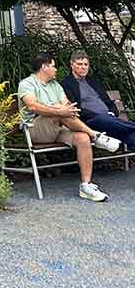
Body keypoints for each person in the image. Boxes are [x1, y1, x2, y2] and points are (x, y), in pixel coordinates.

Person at [18, 52, 120, 202]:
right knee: (60, 113)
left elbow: (68, 106)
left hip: (58, 127)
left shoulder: (56, 85)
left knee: (82, 138)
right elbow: (33, 106)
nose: (56, 69)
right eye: (53, 66)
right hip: (35, 128)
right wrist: (58, 109)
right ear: (44, 67)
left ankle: (86, 185)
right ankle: (96, 136)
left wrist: (62, 109)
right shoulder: (27, 83)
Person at [61, 50, 135, 149]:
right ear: (72, 64)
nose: (83, 67)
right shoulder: (67, 84)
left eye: (86, 64)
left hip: (110, 120)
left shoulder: (93, 82)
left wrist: (112, 112)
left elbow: (108, 101)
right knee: (104, 119)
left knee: (132, 136)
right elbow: (75, 108)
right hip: (90, 121)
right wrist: (99, 115)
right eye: (79, 64)